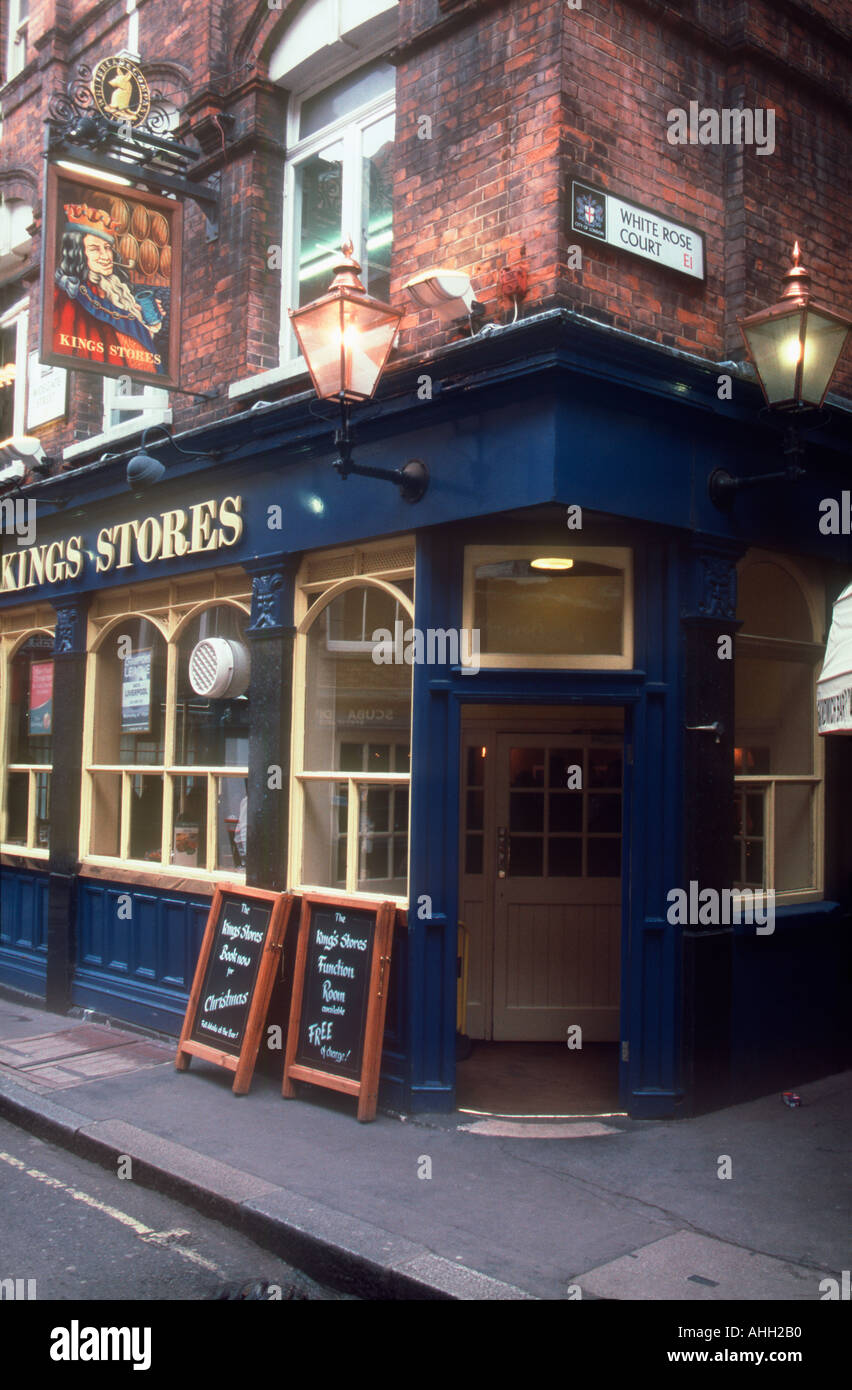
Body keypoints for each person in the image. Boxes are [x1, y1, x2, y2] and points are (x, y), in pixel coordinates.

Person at [53, 203, 165, 375]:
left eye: (107, 248)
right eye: (94, 249)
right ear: (79, 253)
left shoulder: (118, 287)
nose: (106, 257)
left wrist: (149, 321)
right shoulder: (79, 291)